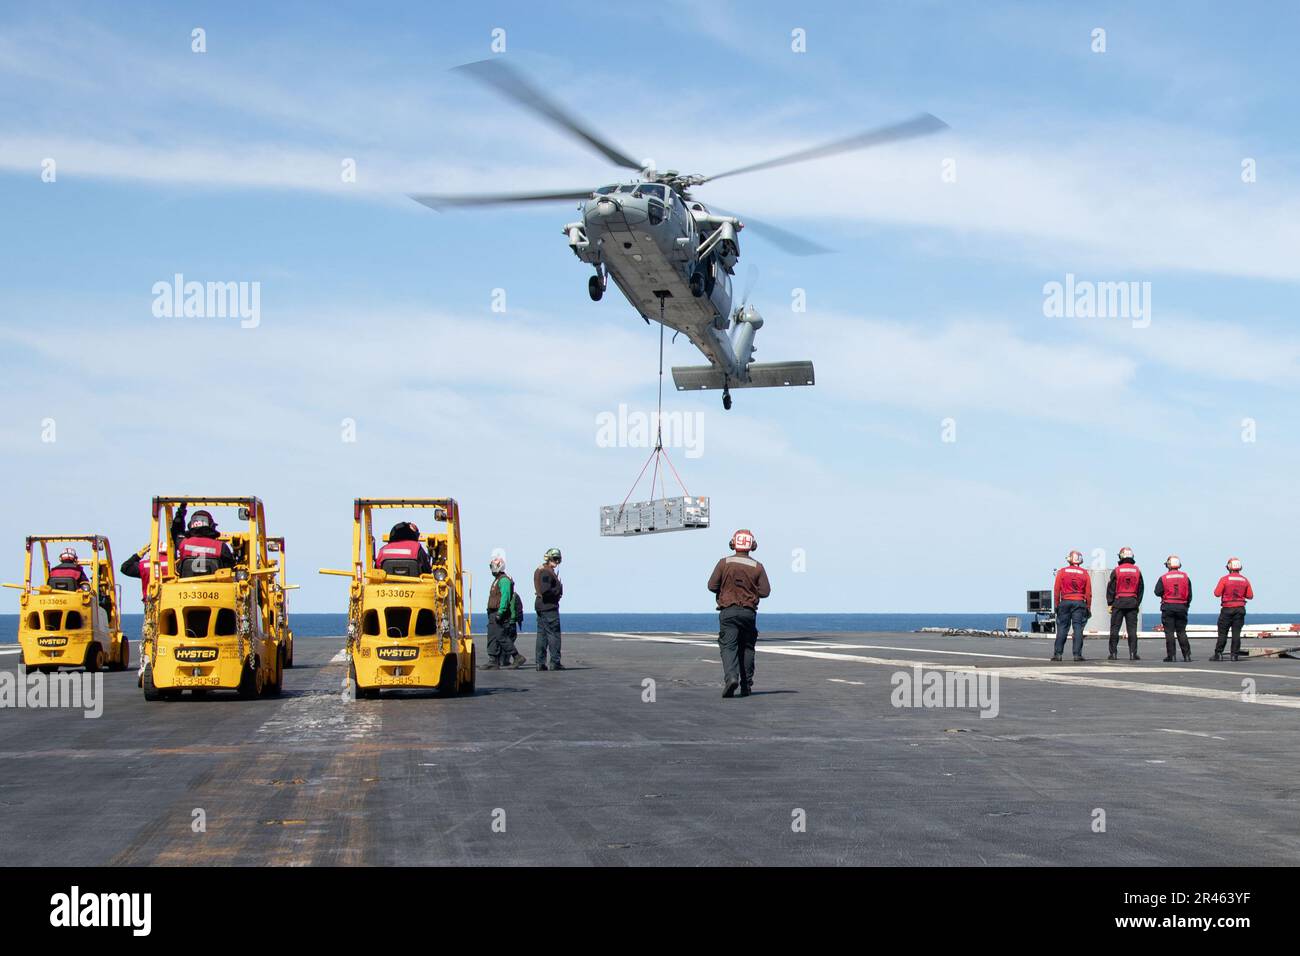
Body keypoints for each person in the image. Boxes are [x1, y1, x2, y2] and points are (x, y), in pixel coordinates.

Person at [707, 529, 771, 698]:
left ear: (733, 544)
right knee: (747, 648)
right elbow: (765, 592)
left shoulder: (723, 563)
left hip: (728, 611)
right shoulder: (757, 566)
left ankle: (731, 678)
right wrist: (751, 591)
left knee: (728, 646)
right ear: (752, 546)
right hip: (748, 613)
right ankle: (746, 686)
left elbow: (712, 586)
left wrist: (726, 590)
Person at [484, 555, 525, 669]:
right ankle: (493, 660)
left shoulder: (504, 580)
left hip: (499, 613)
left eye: (492, 566)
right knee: (492, 636)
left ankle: (517, 656)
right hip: (493, 613)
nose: (491, 569)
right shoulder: (497, 580)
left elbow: (505, 597)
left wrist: (500, 612)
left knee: (501, 636)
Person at [1106, 546, 1144, 661]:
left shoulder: (1116, 570)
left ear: (1121, 556)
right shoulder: (1137, 571)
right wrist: (1137, 603)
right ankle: (1133, 654)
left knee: (1115, 629)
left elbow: (1111, 588)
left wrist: (1110, 603)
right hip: (1132, 602)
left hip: (1118, 602)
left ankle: (1113, 653)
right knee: (1132, 630)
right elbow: (1141, 588)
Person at [1052, 550, 1091, 662]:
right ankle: (1077, 655)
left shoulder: (1062, 572)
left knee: (1062, 628)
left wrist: (1057, 604)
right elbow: (1088, 593)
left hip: (1065, 602)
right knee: (1078, 628)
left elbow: (1056, 590)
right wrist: (1088, 607)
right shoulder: (1084, 573)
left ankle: (1058, 654)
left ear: (1069, 559)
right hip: (1079, 602)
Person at [1212, 557, 1254, 662]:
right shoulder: (1245, 580)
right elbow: (1250, 596)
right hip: (1240, 609)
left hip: (1227, 609)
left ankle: (1218, 654)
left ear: (1229, 567)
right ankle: (1234, 655)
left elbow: (1217, 593)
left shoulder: (1224, 579)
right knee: (1236, 633)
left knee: (1222, 633)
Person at [174, 508, 236, 577]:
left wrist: (180, 512)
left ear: (190, 526)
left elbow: (176, 530)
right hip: (215, 586)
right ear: (211, 526)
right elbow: (229, 571)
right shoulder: (221, 546)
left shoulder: (182, 543)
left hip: (186, 586)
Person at [1154, 555, 1192, 662]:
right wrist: (1186, 606)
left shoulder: (1164, 578)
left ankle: (1172, 655)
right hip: (1182, 607)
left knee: (1169, 632)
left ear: (1168, 565)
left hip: (1168, 607)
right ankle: (1187, 655)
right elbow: (1189, 594)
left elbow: (1157, 592)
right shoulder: (1185, 577)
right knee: (1181, 631)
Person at [533, 548, 564, 671]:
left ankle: (540, 663)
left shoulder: (541, 570)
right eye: (554, 558)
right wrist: (557, 591)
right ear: (549, 558)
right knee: (553, 634)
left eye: (558, 559)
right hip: (549, 606)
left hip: (541, 606)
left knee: (542, 635)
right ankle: (555, 662)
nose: (556, 561)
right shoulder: (546, 572)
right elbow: (546, 591)